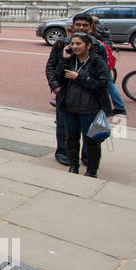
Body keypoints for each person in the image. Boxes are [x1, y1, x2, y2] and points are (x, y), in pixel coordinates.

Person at [47, 14, 110, 165]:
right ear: (73, 25)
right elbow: (51, 67)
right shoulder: (62, 44)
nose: (81, 27)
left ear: (90, 27)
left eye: (85, 25)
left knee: (90, 130)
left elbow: (103, 75)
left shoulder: (98, 47)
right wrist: (55, 86)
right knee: (65, 127)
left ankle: (89, 157)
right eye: (78, 25)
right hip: (67, 94)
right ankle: (64, 153)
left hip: (90, 97)